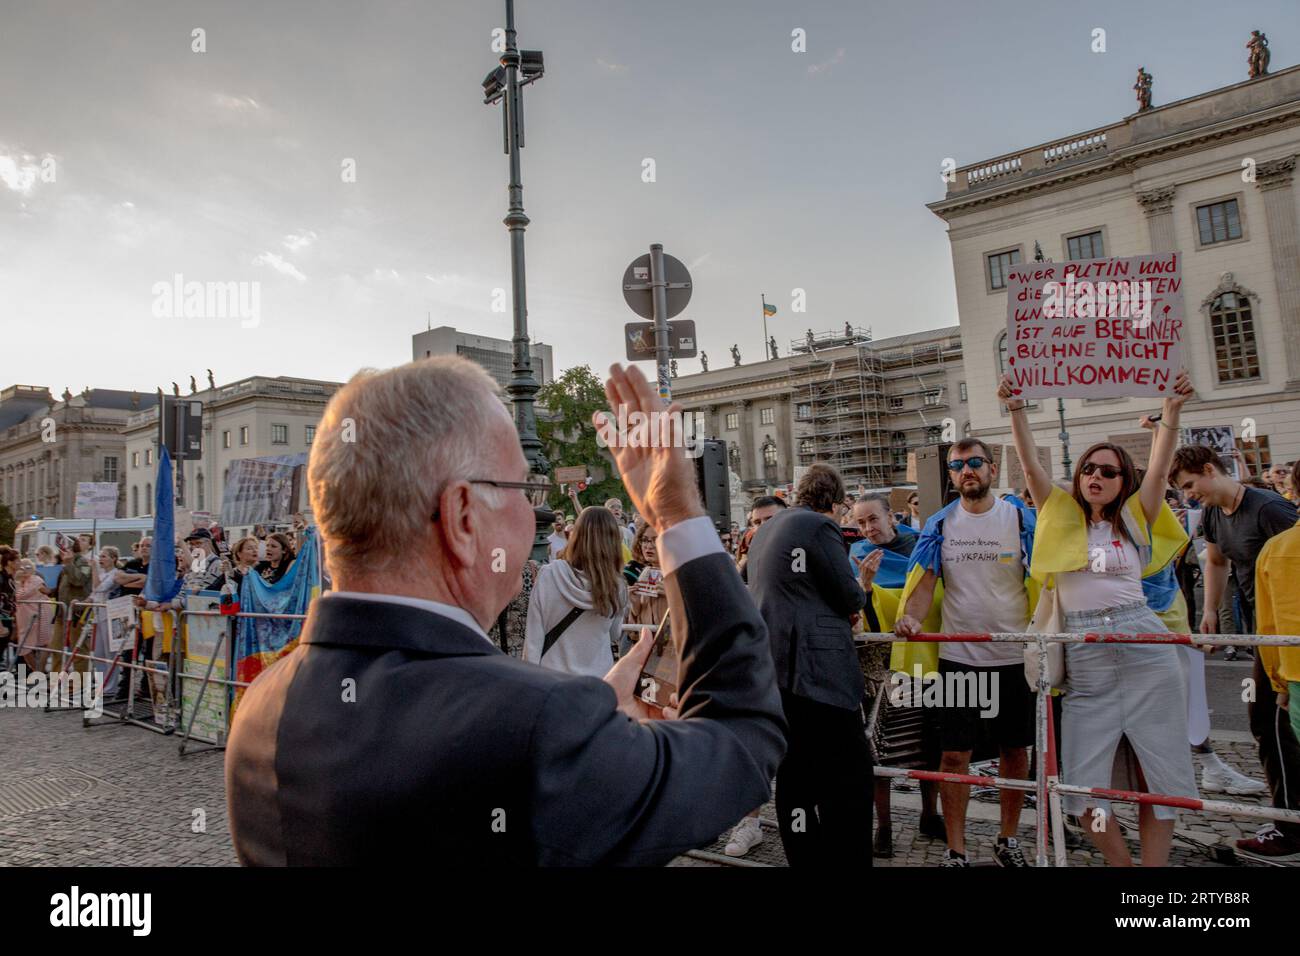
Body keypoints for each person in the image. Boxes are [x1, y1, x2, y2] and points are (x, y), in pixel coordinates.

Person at [225, 357, 786, 866]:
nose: (535, 514)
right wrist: (678, 515)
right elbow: (741, 740)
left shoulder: (260, 703)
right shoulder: (532, 725)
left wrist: (592, 716)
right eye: (524, 487)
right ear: (464, 517)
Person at [1001, 370, 1197, 866]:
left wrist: (1170, 412)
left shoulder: (1136, 518)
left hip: (1145, 646)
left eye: (1109, 471)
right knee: (1084, 791)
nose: (1097, 476)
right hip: (1086, 659)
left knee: (1162, 779)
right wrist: (1017, 410)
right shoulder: (1060, 512)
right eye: (1090, 467)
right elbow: (1029, 468)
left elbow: (1157, 470)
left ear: (1122, 480)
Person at [893, 440, 1037, 867]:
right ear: (952, 476)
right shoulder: (940, 524)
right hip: (960, 657)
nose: (966, 470)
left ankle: (1007, 838)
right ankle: (956, 849)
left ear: (992, 469)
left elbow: (1046, 578)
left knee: (1016, 751)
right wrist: (912, 620)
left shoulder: (1019, 517)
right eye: (957, 465)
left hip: (1015, 656)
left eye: (975, 463)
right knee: (955, 755)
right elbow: (923, 585)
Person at [1170, 443, 1300, 860]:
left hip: (1282, 632)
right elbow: (1216, 561)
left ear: (1210, 469)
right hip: (1263, 631)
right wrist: (1209, 609)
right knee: (1266, 723)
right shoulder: (1211, 513)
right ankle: (1287, 819)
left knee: (1276, 725)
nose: (1190, 495)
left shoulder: (1269, 509)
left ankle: (1290, 828)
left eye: (1191, 484)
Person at [746, 462, 872, 866]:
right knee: (849, 781)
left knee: (796, 779)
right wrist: (862, 590)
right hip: (819, 675)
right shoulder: (820, 528)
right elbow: (847, 595)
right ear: (835, 503)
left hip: (778, 672)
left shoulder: (767, 529)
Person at [523, 505, 628, 678]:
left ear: (576, 536)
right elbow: (614, 634)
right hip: (598, 680)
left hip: (553, 679)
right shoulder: (617, 585)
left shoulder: (549, 574)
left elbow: (533, 638)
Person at [14, 558, 54, 671]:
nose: (24, 569)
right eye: (22, 567)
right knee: (24, 647)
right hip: (24, 619)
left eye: (28, 567)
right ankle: (36, 671)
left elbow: (20, 596)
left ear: (33, 569)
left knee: (43, 643)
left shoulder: (36, 580)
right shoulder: (19, 581)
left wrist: (17, 581)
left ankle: (38, 670)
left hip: (39, 616)